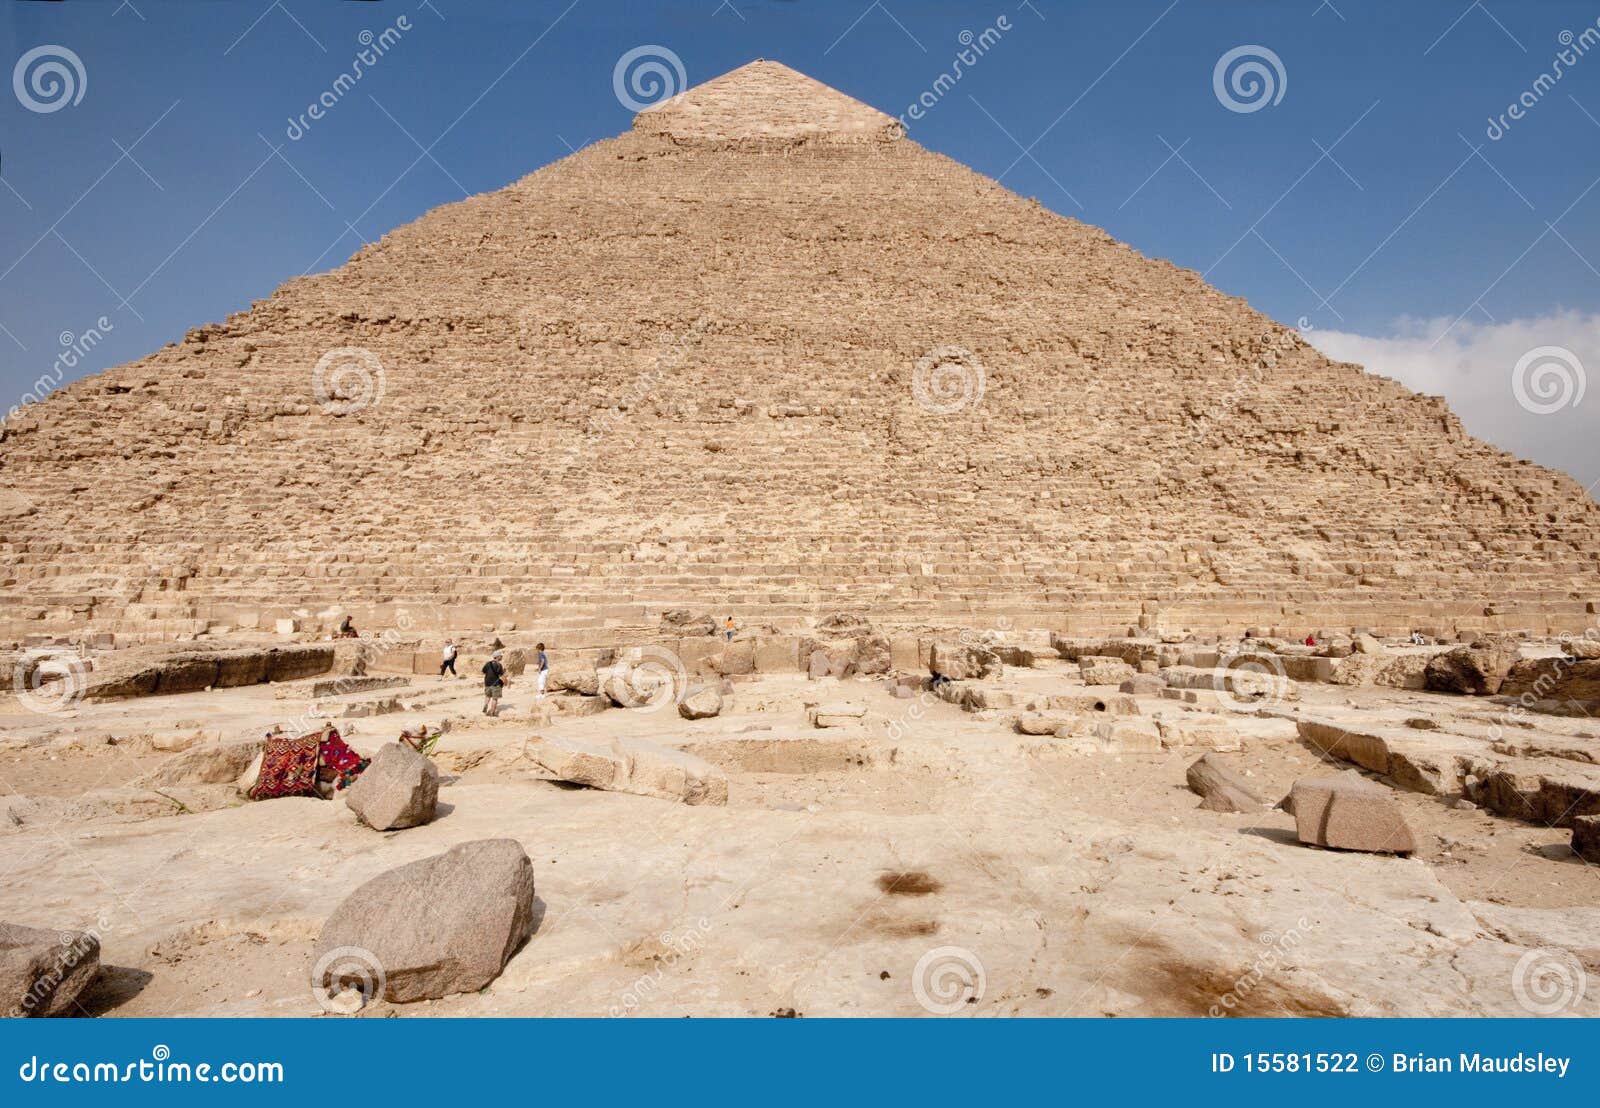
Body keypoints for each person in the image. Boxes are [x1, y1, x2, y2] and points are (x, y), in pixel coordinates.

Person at [482, 650, 506, 717]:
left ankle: (486, 705)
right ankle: (492, 712)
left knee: (487, 696)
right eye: (501, 656)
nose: (501, 657)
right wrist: (505, 682)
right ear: (497, 657)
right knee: (495, 699)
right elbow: (501, 675)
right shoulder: (499, 665)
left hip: (487, 683)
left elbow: (483, 671)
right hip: (495, 684)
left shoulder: (488, 663)